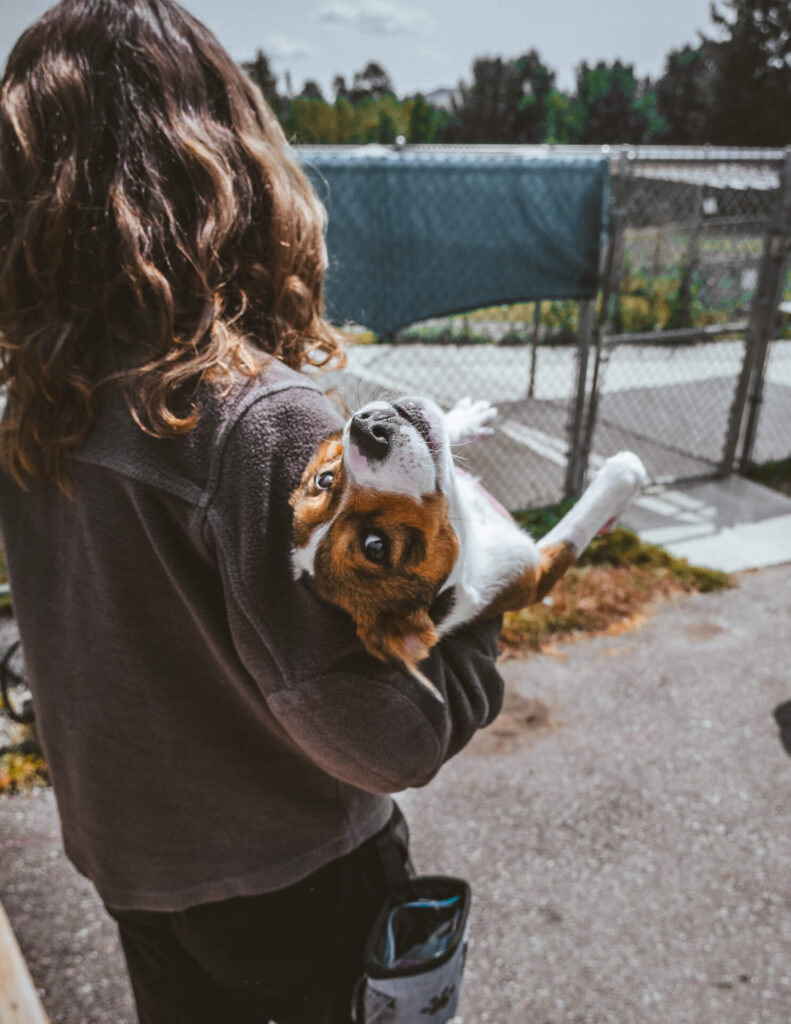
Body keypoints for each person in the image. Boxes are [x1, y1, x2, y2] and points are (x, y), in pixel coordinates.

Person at [0, 2, 504, 1022]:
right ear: (225, 162)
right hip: (302, 884)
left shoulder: (36, 405)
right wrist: (481, 603)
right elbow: (383, 737)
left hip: (137, 873)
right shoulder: (255, 419)